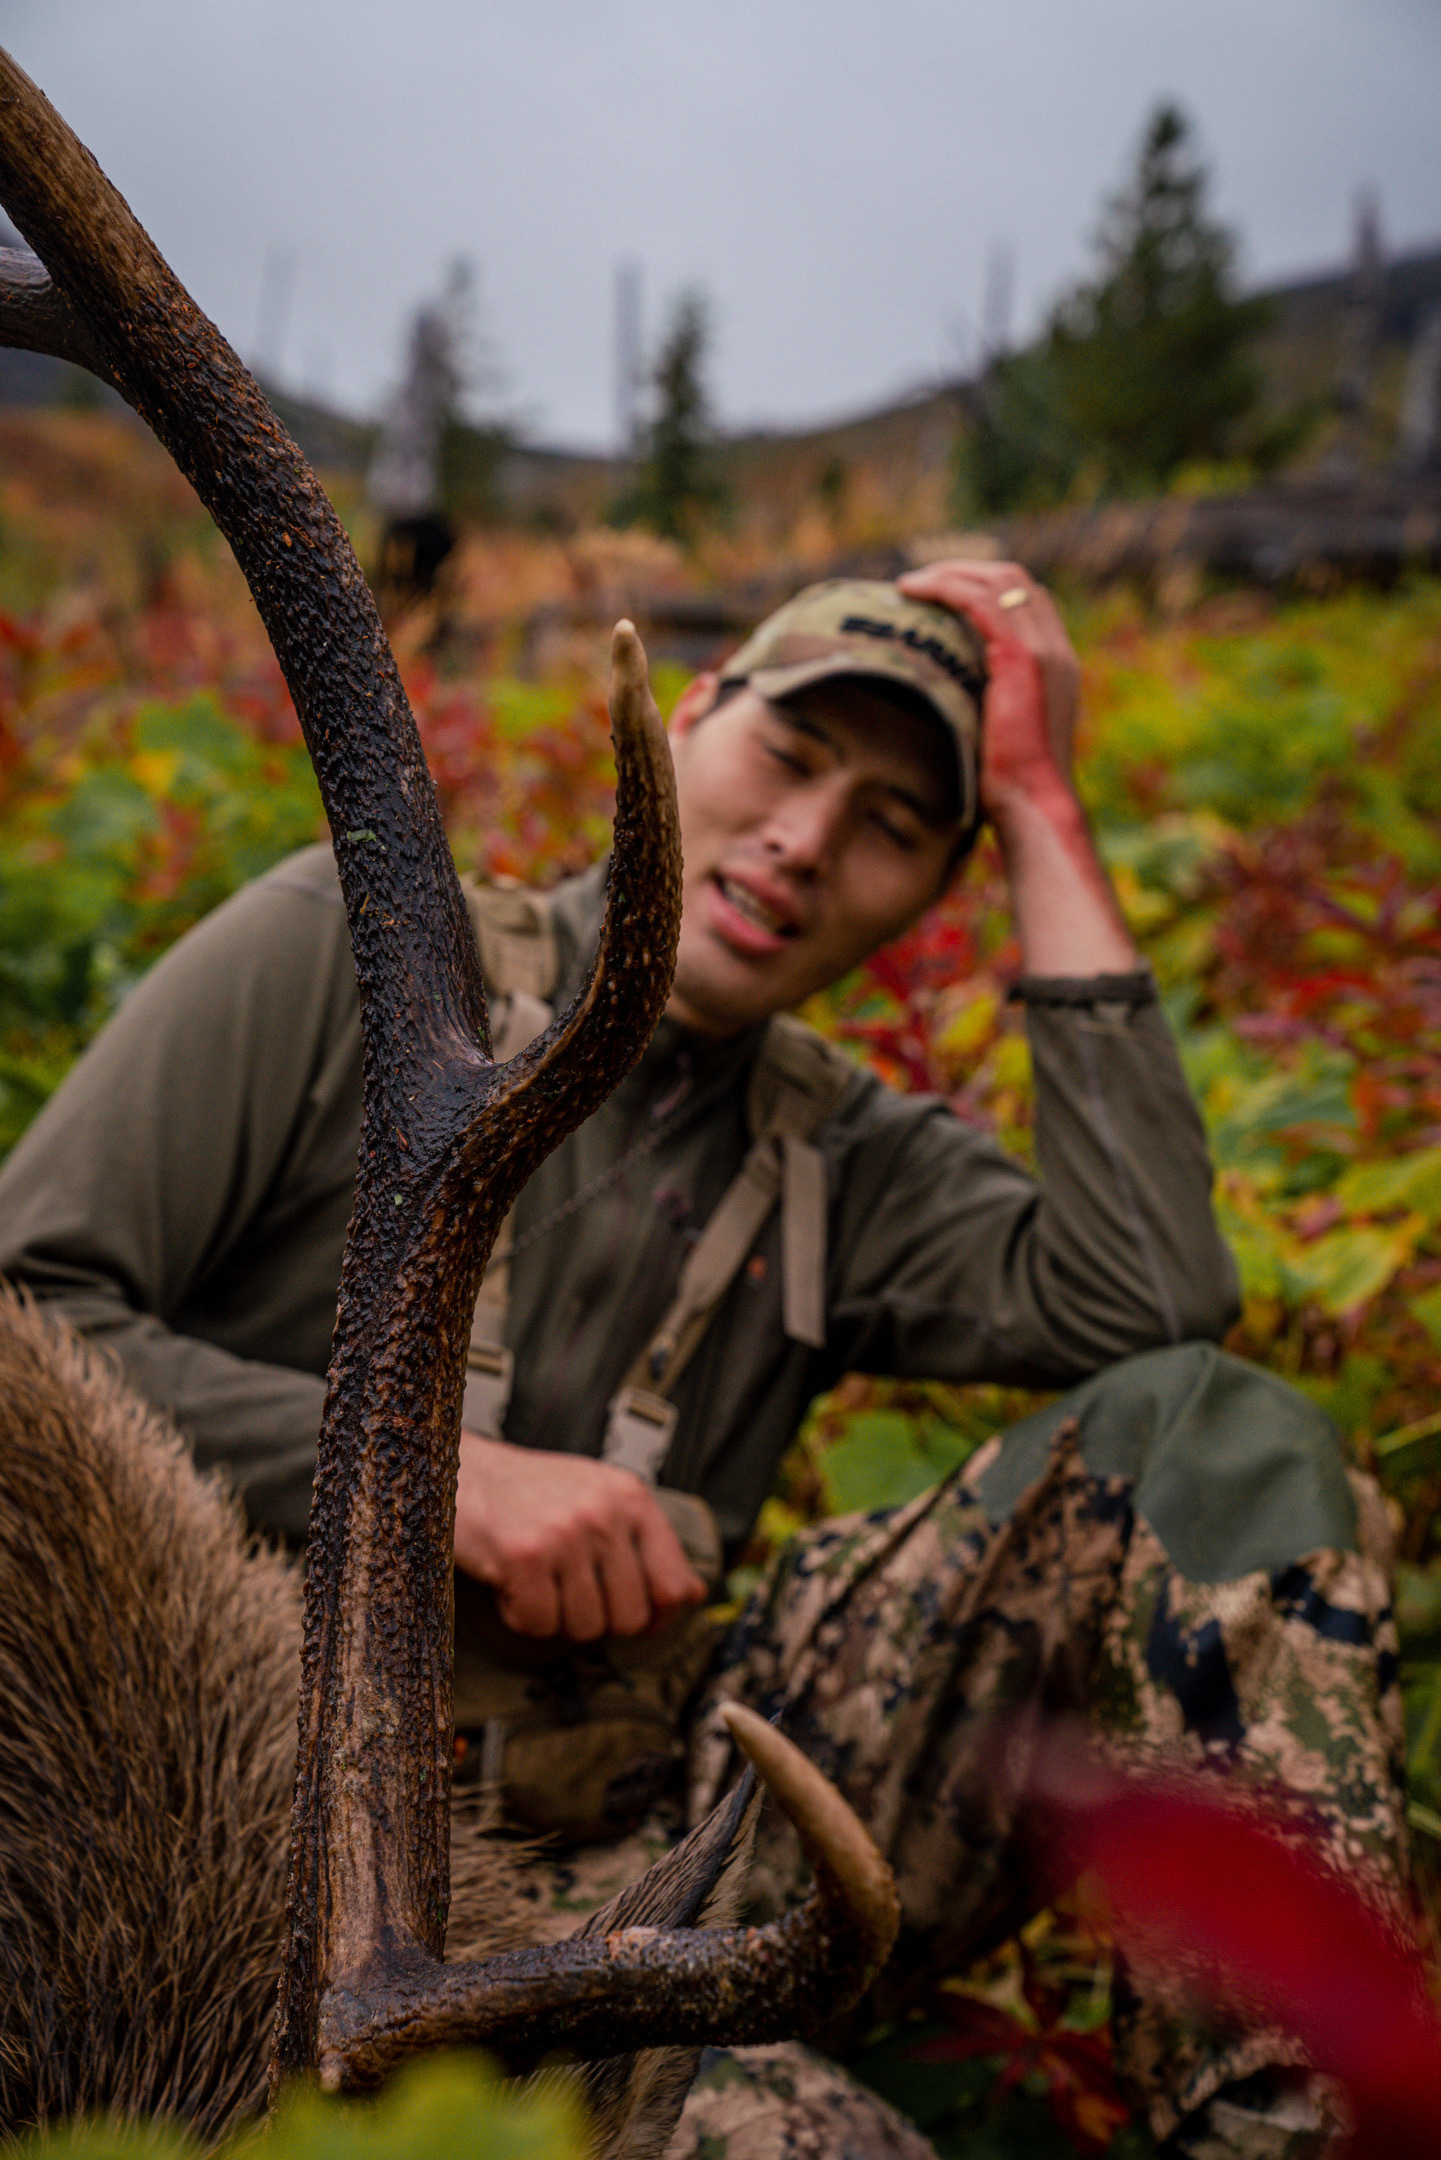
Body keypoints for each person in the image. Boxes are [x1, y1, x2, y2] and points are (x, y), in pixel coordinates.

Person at [0, 561, 1404, 2158]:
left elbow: (1149, 1294)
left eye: (892, 827)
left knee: (1212, 1438)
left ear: (930, 894)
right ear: (682, 718)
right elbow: (22, 1310)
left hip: (649, 1842)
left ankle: (1309, 2128)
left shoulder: (846, 1157)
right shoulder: (353, 954)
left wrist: (1041, 809)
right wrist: (444, 1481)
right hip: (225, 1844)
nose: (804, 841)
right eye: (787, 756)